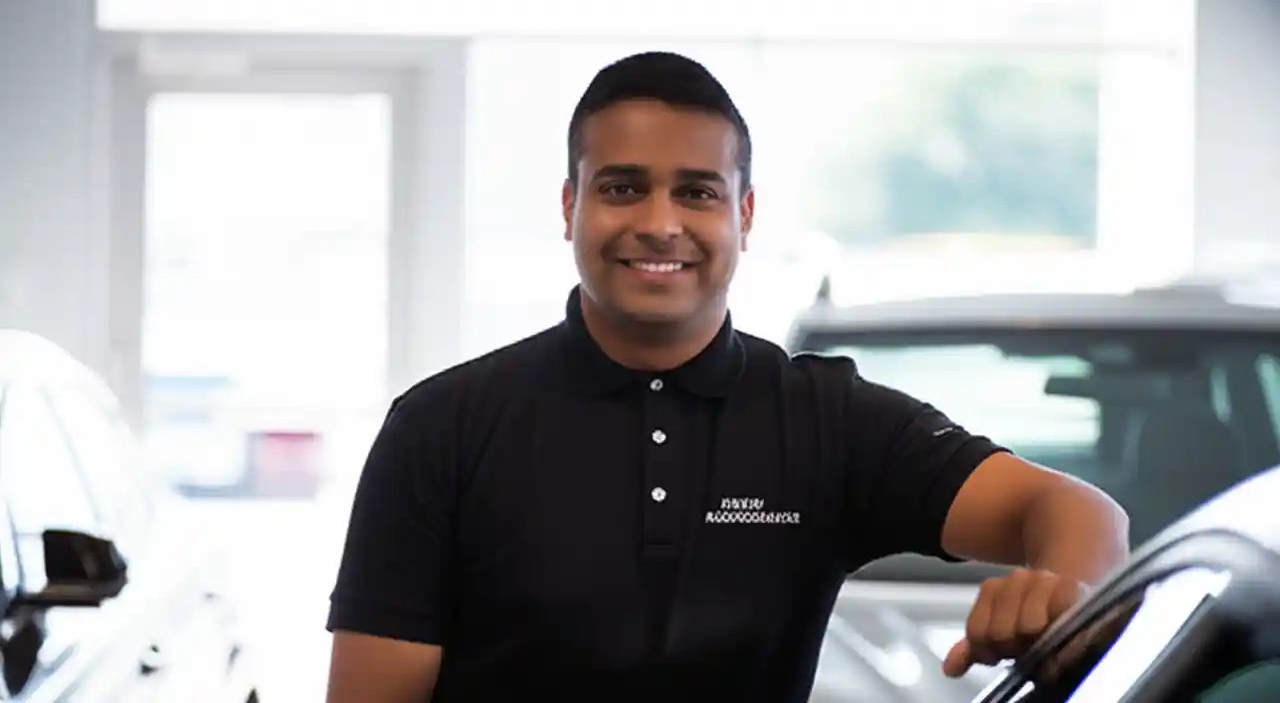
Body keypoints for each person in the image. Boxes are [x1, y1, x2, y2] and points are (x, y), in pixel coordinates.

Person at [324, 51, 1130, 703]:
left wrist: (1064, 587)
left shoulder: (828, 422)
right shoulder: (443, 427)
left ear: (743, 215)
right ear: (570, 206)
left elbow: (1072, 510)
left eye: (697, 192)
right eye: (622, 187)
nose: (659, 221)